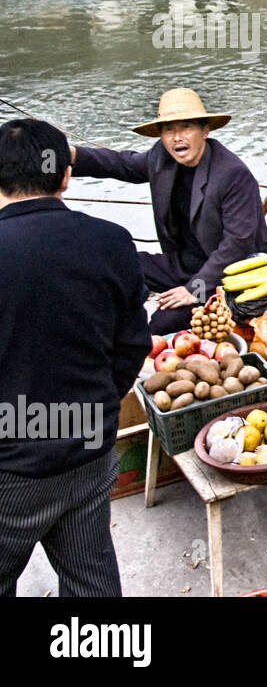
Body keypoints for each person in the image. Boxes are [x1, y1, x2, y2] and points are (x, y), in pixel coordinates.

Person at [0, 119, 151, 597]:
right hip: (87, 446)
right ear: (66, 176)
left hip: (10, 465)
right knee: (92, 584)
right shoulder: (111, 241)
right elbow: (132, 347)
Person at [71, 88, 267, 334]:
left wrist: (193, 289)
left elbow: (237, 245)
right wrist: (70, 156)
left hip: (233, 277)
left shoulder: (232, 174)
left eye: (186, 127)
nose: (177, 137)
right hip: (185, 262)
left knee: (161, 323)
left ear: (205, 130)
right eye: (169, 130)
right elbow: (122, 165)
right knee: (118, 263)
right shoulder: (161, 157)